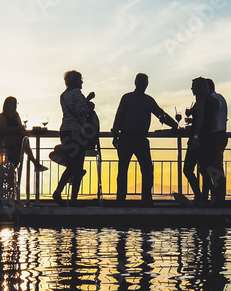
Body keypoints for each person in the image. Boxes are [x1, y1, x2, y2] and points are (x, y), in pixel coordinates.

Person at [111, 73, 177, 205]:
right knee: (124, 170)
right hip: (126, 137)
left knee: (146, 170)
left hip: (140, 139)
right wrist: (115, 136)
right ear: (136, 82)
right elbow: (119, 117)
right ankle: (121, 200)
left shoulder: (147, 101)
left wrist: (175, 124)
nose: (143, 84)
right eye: (141, 81)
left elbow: (160, 114)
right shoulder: (128, 98)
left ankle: (146, 199)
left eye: (144, 82)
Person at [52, 70, 95, 205]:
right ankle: (69, 197)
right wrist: (89, 105)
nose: (82, 81)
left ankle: (61, 193)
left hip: (65, 131)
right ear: (75, 81)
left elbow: (72, 109)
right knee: (76, 166)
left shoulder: (63, 95)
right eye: (80, 79)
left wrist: (86, 100)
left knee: (73, 165)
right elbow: (79, 111)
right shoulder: (76, 93)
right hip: (76, 132)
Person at [179, 77, 217, 206]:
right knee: (205, 169)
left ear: (199, 87)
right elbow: (206, 119)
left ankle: (200, 196)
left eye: (193, 86)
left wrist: (195, 137)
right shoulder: (210, 100)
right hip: (207, 139)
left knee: (188, 169)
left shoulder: (200, 99)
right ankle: (208, 196)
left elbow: (201, 119)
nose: (191, 89)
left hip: (199, 139)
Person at [0, 96, 47, 174]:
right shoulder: (1, 116)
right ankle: (35, 164)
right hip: (1, 142)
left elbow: (19, 127)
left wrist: (23, 132)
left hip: (14, 142)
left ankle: (13, 168)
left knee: (23, 142)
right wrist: (18, 128)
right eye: (12, 103)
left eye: (15, 103)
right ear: (7, 105)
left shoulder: (15, 115)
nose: (14, 105)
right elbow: (4, 130)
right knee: (22, 143)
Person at [205, 79, 228, 205]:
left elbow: (216, 105)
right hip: (214, 136)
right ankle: (216, 195)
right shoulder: (215, 98)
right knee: (212, 166)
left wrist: (205, 96)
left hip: (218, 136)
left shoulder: (217, 98)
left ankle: (219, 197)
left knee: (216, 166)